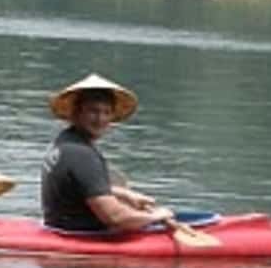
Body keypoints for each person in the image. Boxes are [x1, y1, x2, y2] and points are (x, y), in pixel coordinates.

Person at [41, 73, 174, 233]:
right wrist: (157, 216)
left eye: (106, 112)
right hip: (82, 235)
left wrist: (125, 194)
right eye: (93, 111)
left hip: (58, 225)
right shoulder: (81, 155)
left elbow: (80, 185)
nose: (100, 119)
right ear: (76, 113)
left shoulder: (65, 141)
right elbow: (115, 218)